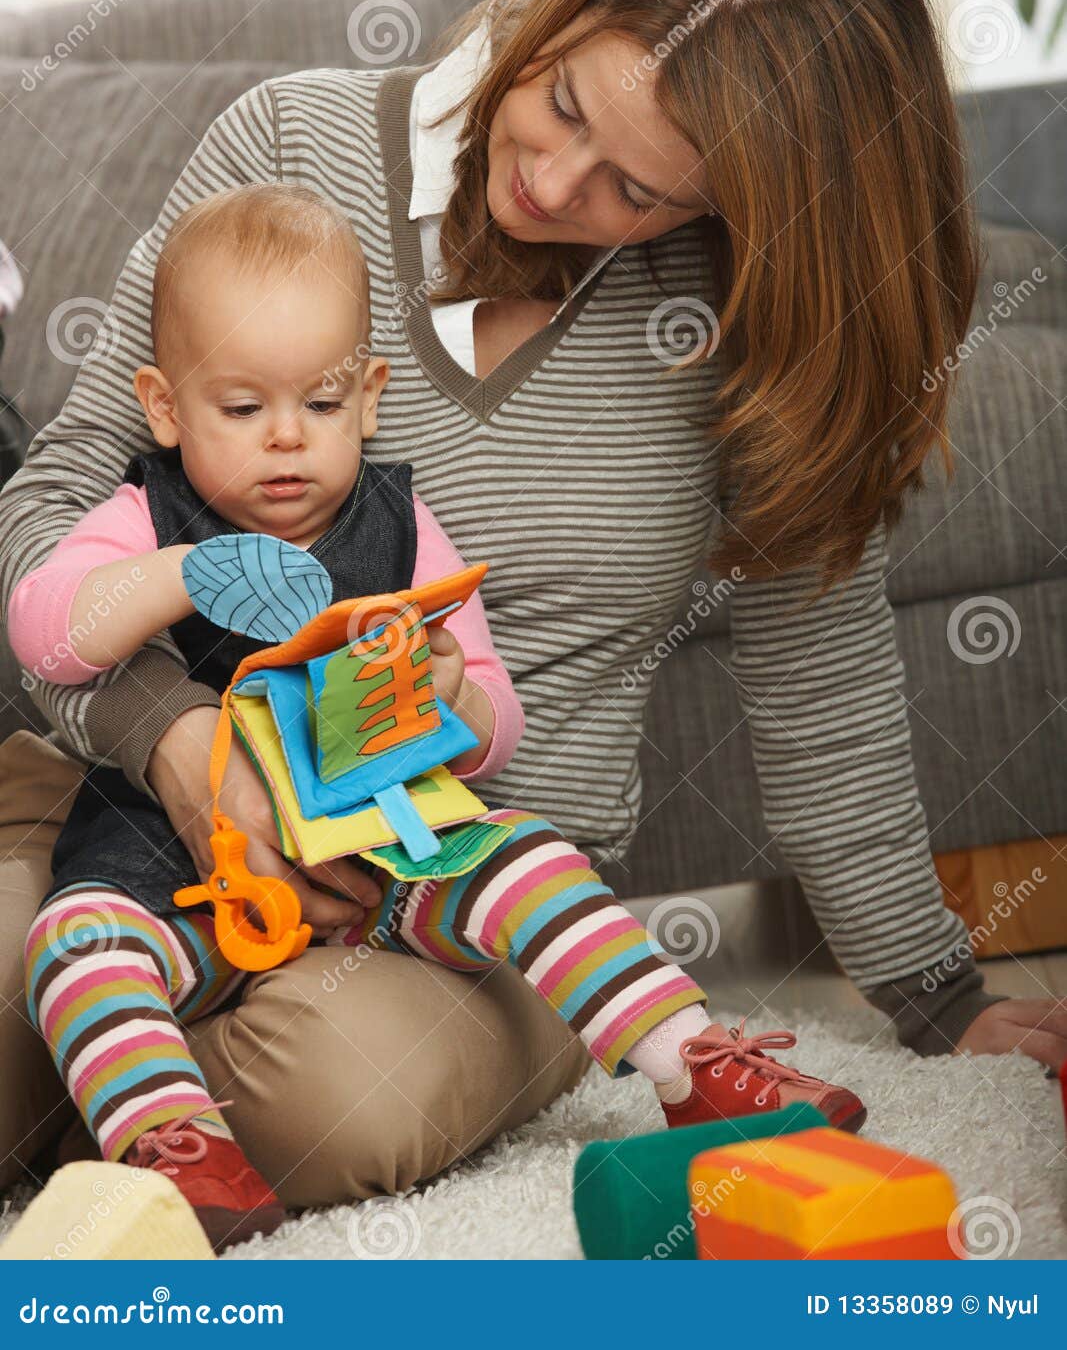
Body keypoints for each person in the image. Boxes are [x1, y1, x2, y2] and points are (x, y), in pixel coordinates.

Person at [1, 0, 1062, 1213]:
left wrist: (934, 992)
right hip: (133, 817)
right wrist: (177, 735)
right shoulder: (290, 139)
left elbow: (820, 681)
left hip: (462, 897)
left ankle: (123, 1097)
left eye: (636, 187)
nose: (551, 182)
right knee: (40, 971)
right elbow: (48, 514)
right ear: (558, 9)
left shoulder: (735, 320)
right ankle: (121, 1077)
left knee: (322, 1103)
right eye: (561, 101)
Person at [8, 181, 866, 1249]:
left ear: (368, 398)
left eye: (320, 407)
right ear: (166, 406)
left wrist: (453, 699)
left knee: (532, 859)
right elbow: (46, 629)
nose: (286, 441)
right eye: (240, 410)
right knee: (75, 941)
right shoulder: (143, 513)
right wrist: (179, 572)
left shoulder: (401, 522)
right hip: (176, 857)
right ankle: (175, 1145)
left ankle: (693, 1061)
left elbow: (493, 712)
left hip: (391, 845)